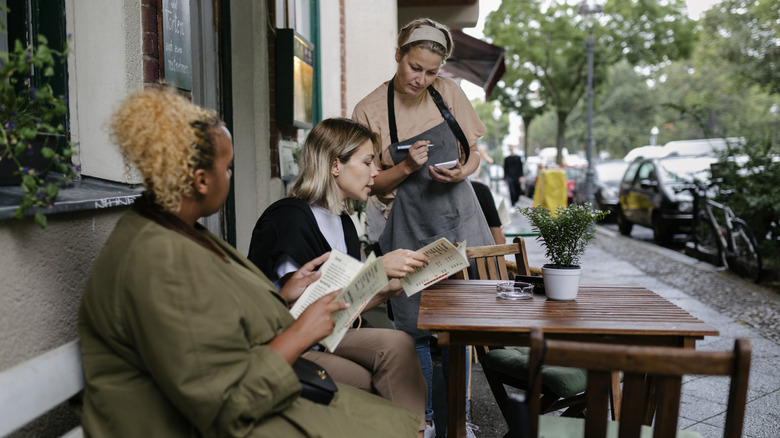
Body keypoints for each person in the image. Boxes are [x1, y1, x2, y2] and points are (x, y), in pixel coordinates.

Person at [77, 88, 421, 437]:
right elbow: (224, 400)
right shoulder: (157, 256)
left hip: (241, 386)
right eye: (228, 169)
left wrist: (283, 297)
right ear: (200, 180)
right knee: (379, 422)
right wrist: (302, 329)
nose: (231, 177)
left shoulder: (175, 231)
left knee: (383, 417)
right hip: (188, 419)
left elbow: (216, 318)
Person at [351, 18, 494, 436]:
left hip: (459, 223)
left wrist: (462, 171)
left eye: (431, 71)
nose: (422, 79)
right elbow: (372, 183)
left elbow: (473, 152)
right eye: (415, 68)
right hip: (410, 228)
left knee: (462, 325)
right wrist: (408, 165)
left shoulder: (448, 92)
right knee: (415, 329)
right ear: (398, 55)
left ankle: (458, 419)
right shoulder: (370, 109)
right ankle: (425, 419)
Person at [247, 118, 429, 435]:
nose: (375, 172)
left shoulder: (343, 221)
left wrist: (385, 288)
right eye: (368, 161)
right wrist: (377, 271)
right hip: (292, 340)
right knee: (387, 360)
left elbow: (345, 304)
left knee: (398, 348)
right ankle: (416, 429)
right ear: (335, 165)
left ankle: (416, 429)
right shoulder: (291, 217)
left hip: (331, 335)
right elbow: (301, 308)